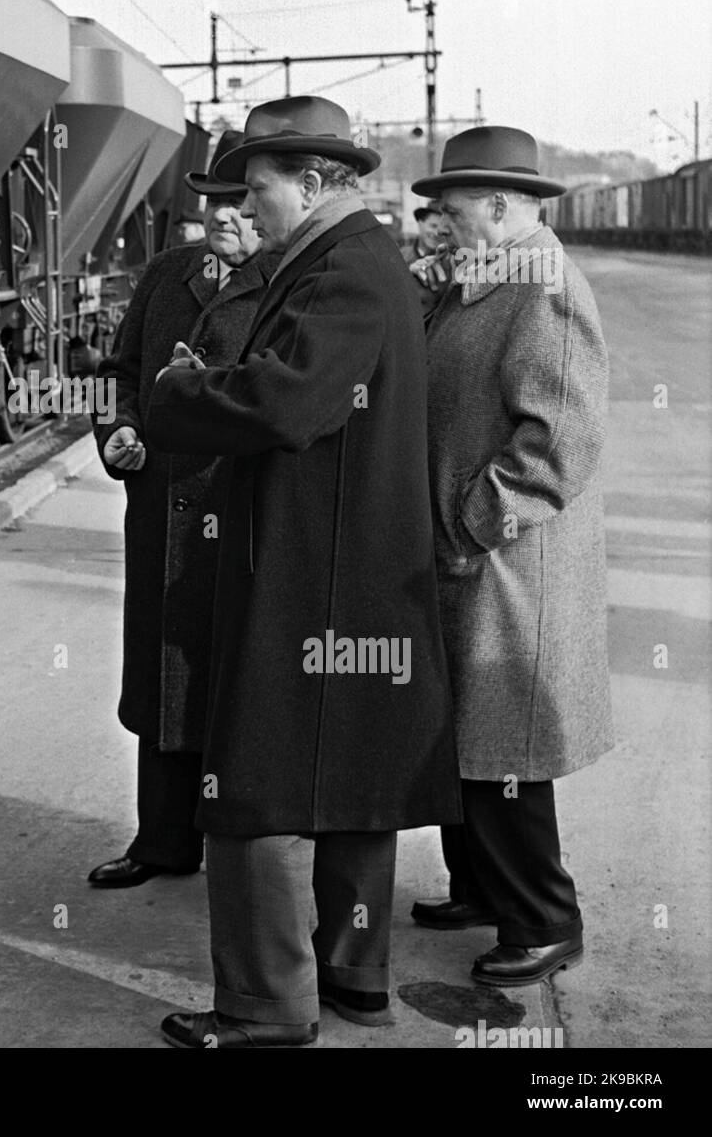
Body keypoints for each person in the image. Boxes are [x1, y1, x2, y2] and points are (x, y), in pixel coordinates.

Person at [145, 97, 461, 1048]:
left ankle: (265, 1008)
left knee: (253, 786)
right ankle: (353, 975)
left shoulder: (346, 273)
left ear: (312, 184)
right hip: (343, 565)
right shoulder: (352, 264)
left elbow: (285, 404)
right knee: (352, 779)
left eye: (259, 188)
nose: (247, 206)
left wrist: (178, 394)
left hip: (314, 571)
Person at [408, 126, 613, 986]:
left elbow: (559, 441)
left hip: (506, 559)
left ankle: (543, 919)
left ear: (500, 205)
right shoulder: (483, 278)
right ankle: (481, 888)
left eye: (450, 211)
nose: (438, 225)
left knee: (509, 750)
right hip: (477, 557)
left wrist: (468, 524)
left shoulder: (546, 288)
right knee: (470, 740)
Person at [89, 130, 280, 888]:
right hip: (161, 511)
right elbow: (116, 374)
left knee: (232, 682)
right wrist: (120, 434)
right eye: (213, 203)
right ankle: (161, 841)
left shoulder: (287, 285)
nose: (224, 218)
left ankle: (244, 862)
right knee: (162, 677)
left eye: (239, 203)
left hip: (242, 519)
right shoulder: (167, 274)